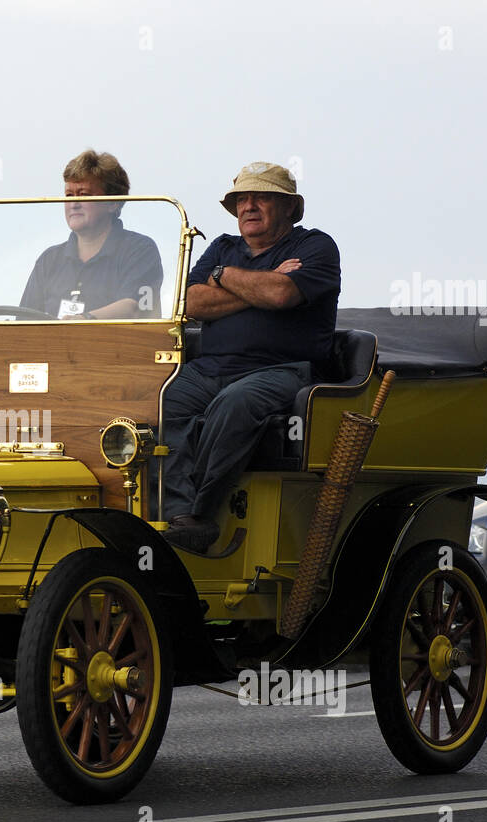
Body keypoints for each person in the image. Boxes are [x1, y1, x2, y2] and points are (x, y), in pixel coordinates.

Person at [161, 161, 341, 553]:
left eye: (262, 197)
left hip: (284, 371)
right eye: (242, 198)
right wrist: (261, 281)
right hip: (210, 367)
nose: (249, 206)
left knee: (235, 404)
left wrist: (223, 278)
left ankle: (200, 516)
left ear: (289, 207)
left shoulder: (315, 246)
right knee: (159, 401)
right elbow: (191, 301)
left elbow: (281, 295)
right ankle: (171, 515)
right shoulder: (223, 248)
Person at [19, 150, 163, 320]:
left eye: (83, 194)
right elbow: (24, 322)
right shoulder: (49, 259)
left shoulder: (140, 250)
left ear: (113, 203)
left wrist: (83, 320)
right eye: (69, 195)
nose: (73, 203)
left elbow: (136, 308)